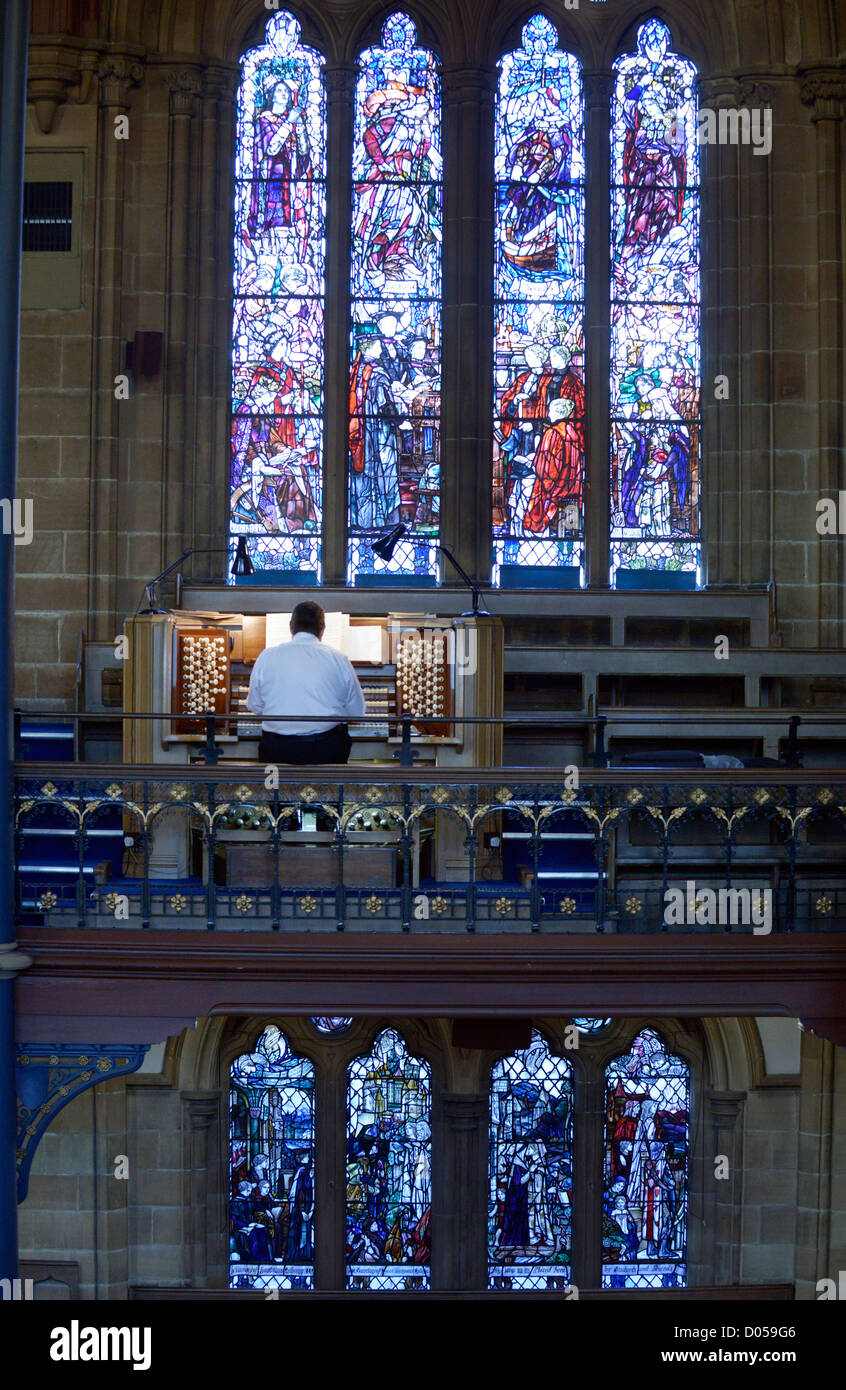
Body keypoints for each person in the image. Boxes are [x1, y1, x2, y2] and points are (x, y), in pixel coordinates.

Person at [246, 601, 366, 764]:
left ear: (290, 627)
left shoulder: (267, 656)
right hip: (325, 751)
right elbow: (356, 712)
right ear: (323, 628)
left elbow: (255, 706)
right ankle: (332, 790)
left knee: (274, 783)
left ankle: (272, 789)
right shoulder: (339, 659)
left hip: (276, 750)